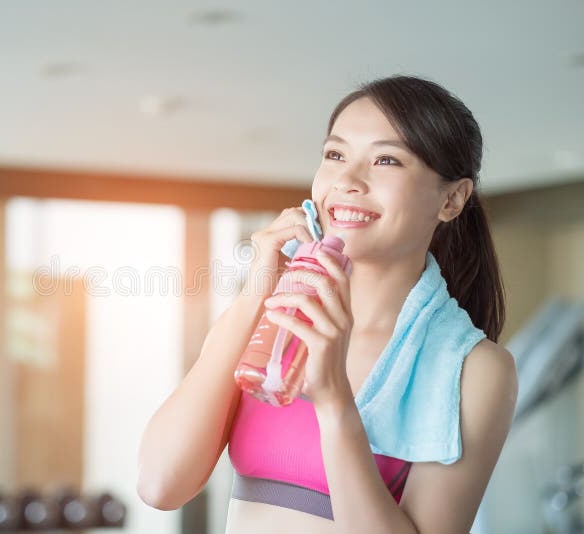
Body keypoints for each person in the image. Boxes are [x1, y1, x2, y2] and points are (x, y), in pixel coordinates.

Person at [137, 74, 519, 533]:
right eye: (335, 155)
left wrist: (335, 400)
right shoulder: (270, 316)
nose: (348, 181)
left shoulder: (472, 369)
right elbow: (160, 485)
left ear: (452, 199)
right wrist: (256, 294)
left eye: (387, 160)